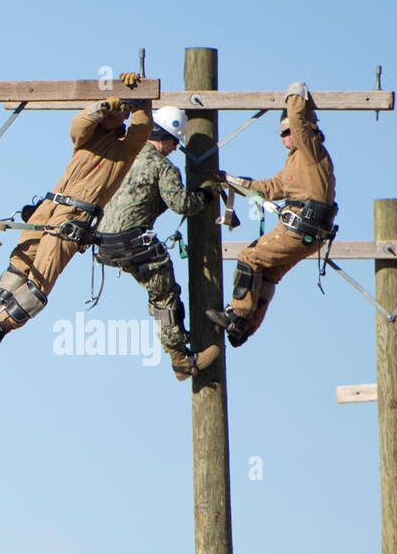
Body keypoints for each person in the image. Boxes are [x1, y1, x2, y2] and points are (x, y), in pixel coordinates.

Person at [0, 73, 152, 347]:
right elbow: (77, 123)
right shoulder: (86, 139)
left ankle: (0, 327)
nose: (106, 116)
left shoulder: (124, 149)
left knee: (40, 277)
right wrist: (105, 105)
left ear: (124, 117)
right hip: (49, 207)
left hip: (74, 217)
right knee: (19, 264)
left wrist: (140, 100)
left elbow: (143, 128)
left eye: (117, 111)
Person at [205, 81, 337, 346]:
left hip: (299, 228)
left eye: (286, 131)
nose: (283, 137)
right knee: (266, 273)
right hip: (309, 231)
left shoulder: (310, 150)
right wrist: (230, 181)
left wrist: (294, 93)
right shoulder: (296, 162)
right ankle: (245, 328)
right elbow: (270, 188)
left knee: (249, 256)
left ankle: (237, 315)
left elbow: (298, 121)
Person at [95, 106, 220, 380]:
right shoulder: (163, 167)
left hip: (104, 244)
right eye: (175, 142)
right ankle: (180, 359)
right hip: (132, 243)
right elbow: (182, 204)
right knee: (164, 297)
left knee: (158, 293)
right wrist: (206, 194)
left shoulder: (126, 154)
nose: (175, 148)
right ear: (164, 137)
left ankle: (174, 342)